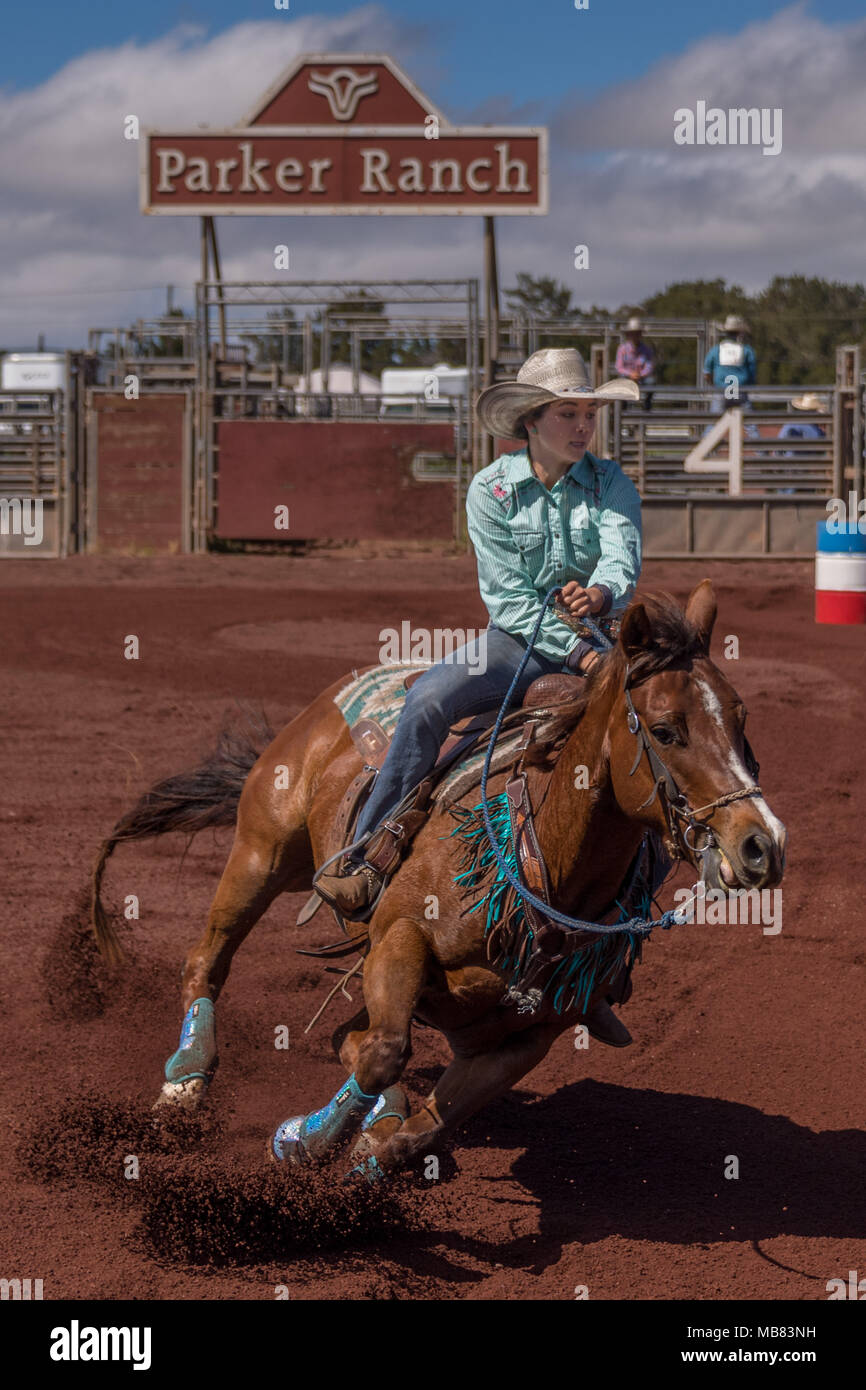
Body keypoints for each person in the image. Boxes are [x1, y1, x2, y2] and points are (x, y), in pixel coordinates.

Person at [316, 345, 642, 939]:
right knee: (428, 702)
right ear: (531, 422)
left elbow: (622, 556)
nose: (583, 426)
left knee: (665, 726)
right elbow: (510, 600)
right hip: (515, 642)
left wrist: (599, 596)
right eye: (567, 414)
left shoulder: (611, 482)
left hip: (601, 634)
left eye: (589, 413)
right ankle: (365, 856)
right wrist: (580, 652)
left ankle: (630, 910)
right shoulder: (490, 492)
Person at [704, 314, 756, 412]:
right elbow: (752, 375)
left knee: (715, 422)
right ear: (739, 333)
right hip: (740, 392)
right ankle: (750, 427)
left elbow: (706, 373)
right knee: (749, 423)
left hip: (721, 392)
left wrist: (713, 385)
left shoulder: (715, 350)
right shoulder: (747, 350)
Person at [615, 316, 657, 410]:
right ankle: (623, 407)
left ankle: (647, 407)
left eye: (637, 333)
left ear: (641, 334)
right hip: (627, 377)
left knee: (652, 382)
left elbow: (649, 366)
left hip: (642, 378)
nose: (635, 336)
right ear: (628, 334)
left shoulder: (647, 350)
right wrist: (630, 374)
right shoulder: (622, 349)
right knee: (621, 382)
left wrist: (640, 375)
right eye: (632, 333)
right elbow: (619, 367)